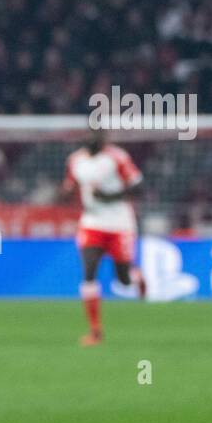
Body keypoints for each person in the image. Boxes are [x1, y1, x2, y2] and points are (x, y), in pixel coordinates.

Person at [63, 124, 147, 345]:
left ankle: (136, 276)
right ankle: (95, 332)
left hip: (120, 222)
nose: (96, 137)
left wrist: (111, 196)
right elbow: (69, 186)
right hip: (92, 222)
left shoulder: (117, 157)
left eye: (100, 134)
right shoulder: (75, 160)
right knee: (89, 272)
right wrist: (66, 192)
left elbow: (138, 187)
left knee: (123, 279)